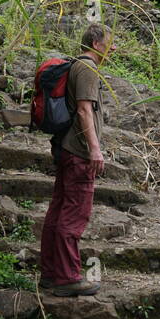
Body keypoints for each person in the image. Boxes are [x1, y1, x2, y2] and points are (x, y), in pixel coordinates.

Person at [39, 23, 112, 296]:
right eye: (109, 42)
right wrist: (94, 149)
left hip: (66, 149)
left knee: (58, 210)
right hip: (78, 152)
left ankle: (50, 273)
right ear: (95, 43)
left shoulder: (75, 66)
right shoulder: (88, 68)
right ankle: (68, 277)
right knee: (74, 213)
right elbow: (84, 111)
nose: (113, 48)